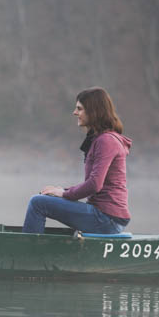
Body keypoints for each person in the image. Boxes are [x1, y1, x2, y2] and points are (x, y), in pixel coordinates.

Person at [23, 87, 132, 234]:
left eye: (79, 109)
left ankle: (28, 248)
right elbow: (94, 183)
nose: (75, 113)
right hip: (105, 216)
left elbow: (94, 184)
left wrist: (63, 194)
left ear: (94, 111)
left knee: (37, 203)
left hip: (107, 219)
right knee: (42, 199)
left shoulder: (106, 141)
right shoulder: (101, 139)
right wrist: (64, 191)